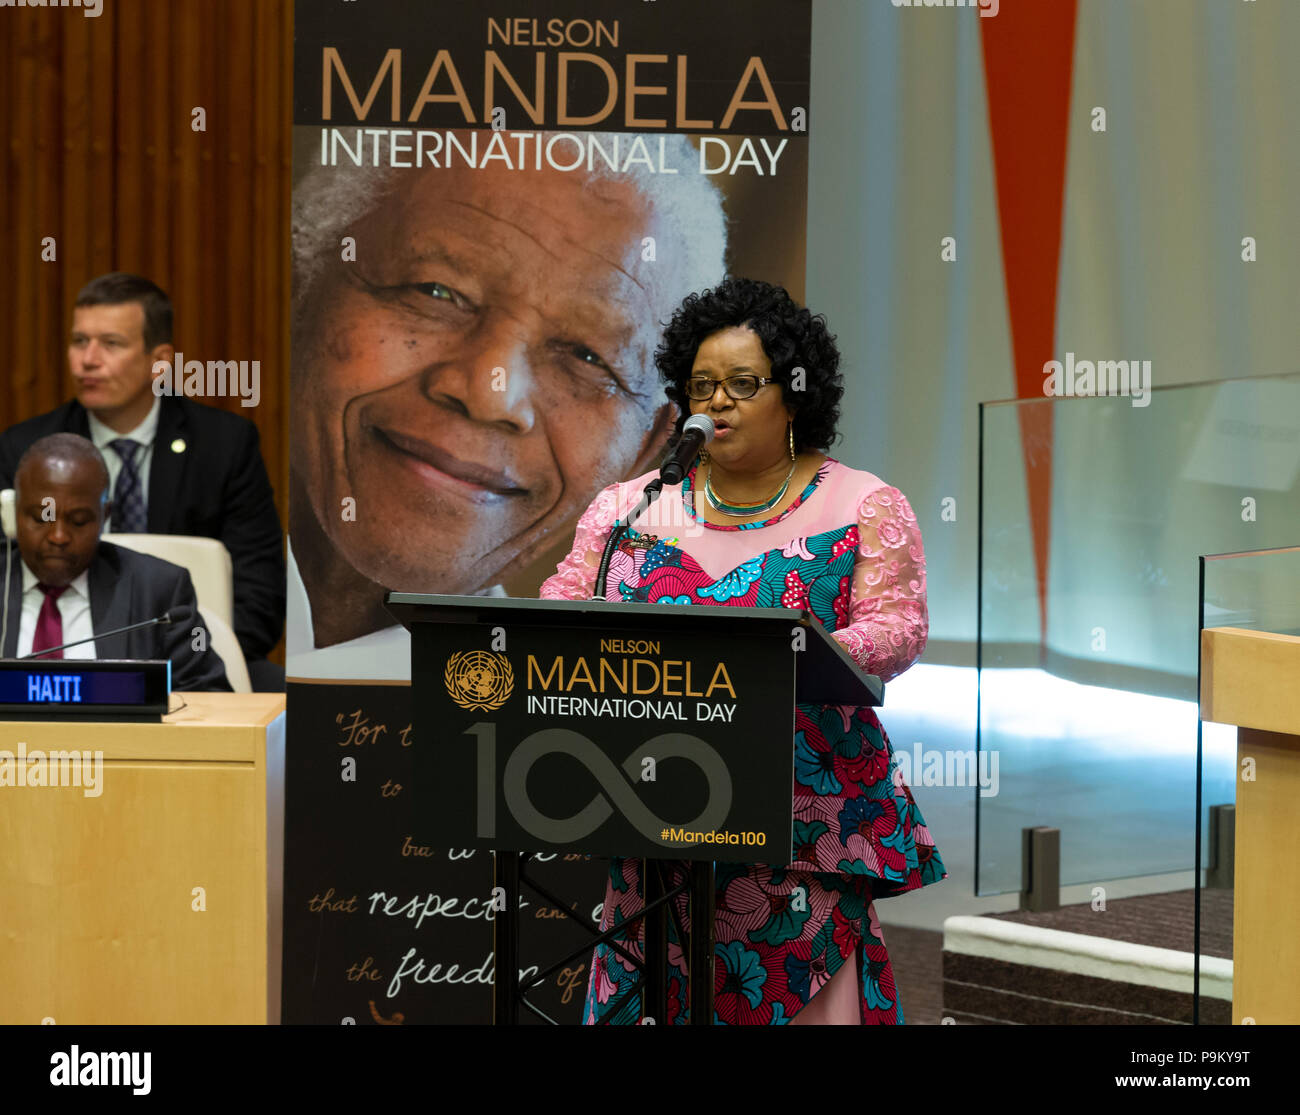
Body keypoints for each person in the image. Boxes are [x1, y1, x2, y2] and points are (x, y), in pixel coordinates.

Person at [541, 277, 946, 1025]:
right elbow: (565, 605)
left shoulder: (861, 505)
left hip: (800, 817)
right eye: (701, 386)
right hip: (652, 812)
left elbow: (897, 629)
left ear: (795, 394)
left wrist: (782, 653)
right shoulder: (629, 507)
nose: (716, 402)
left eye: (741, 383)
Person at [286, 132, 727, 679]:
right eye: (435, 291)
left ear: (648, 450)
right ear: (299, 290)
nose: (489, 392)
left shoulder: (587, 738)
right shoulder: (155, 605)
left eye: (588, 357)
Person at [0, 273, 285, 690]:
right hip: (58, 645)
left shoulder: (222, 446)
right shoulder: (28, 449)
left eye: (111, 343)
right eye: (79, 341)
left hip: (187, 656)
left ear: (161, 360)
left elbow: (258, 592)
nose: (88, 360)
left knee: (282, 695)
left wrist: (176, 656)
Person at [1, 434, 230, 692]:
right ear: (13, 513)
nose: (58, 536)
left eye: (78, 521)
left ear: (104, 516)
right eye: (42, 517)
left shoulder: (160, 592)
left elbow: (209, 694)